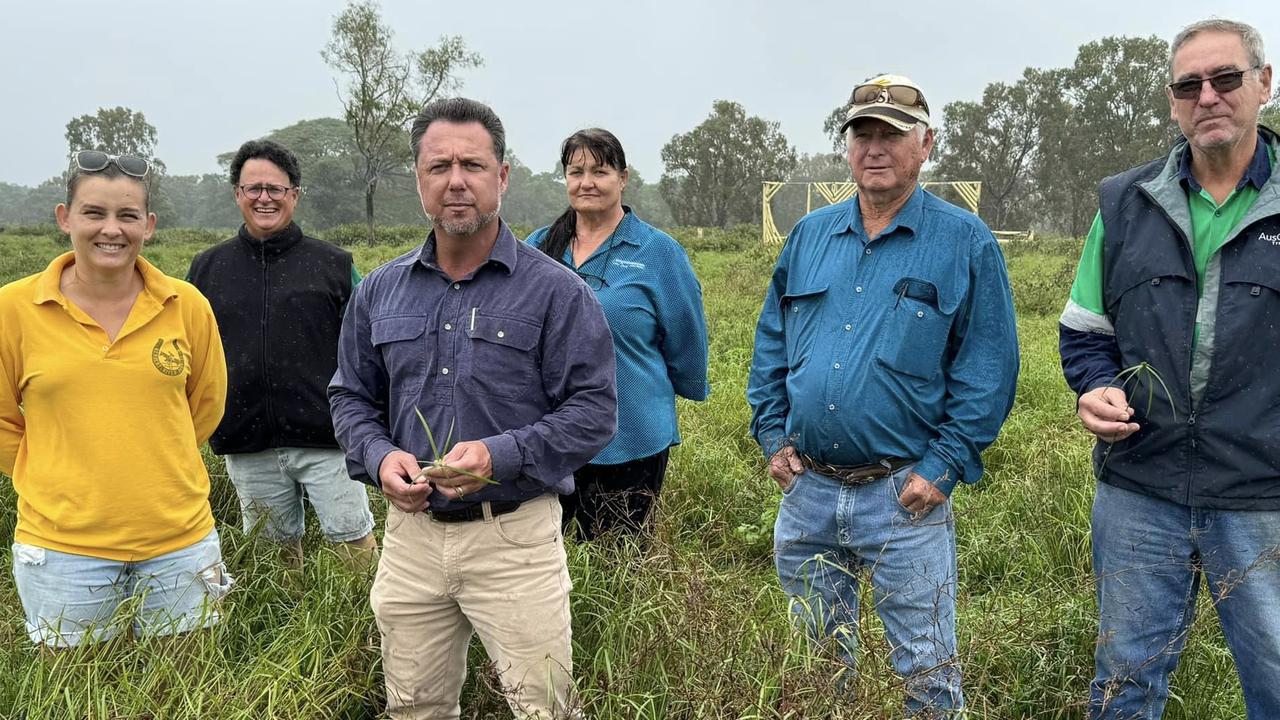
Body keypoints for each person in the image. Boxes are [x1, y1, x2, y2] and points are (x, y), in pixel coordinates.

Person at [329, 98, 616, 719]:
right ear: (419, 179)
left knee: (543, 710)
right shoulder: (381, 289)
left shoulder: (556, 291)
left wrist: (499, 455)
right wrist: (379, 458)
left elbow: (594, 411)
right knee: (414, 707)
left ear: (502, 177)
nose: (456, 180)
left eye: (472, 165)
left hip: (513, 537)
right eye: (439, 166)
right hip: (410, 540)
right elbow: (350, 395)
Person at [746, 74, 1019, 715]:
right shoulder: (810, 236)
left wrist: (945, 465)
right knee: (817, 671)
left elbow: (989, 368)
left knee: (926, 670)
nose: (875, 147)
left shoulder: (963, 241)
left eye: (892, 134)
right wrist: (772, 434)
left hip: (904, 499)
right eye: (861, 133)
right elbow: (771, 344)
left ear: (925, 145)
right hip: (808, 493)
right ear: (846, 147)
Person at [1058, 18, 1279, 719]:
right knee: (1126, 682)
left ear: (1264, 85)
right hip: (1140, 490)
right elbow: (1085, 329)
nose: (1207, 96)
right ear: (1172, 99)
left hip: (1264, 496)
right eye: (1189, 85)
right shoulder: (1125, 202)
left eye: (1226, 79)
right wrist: (1094, 386)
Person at [0, 150, 231, 648]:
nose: (111, 229)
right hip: (62, 546)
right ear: (65, 219)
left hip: (180, 539)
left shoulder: (186, 305)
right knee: (73, 692)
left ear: (148, 226)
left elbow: (205, 406)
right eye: (94, 213)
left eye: (127, 216)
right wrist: (53, 474)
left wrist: (152, 460)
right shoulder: (12, 309)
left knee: (184, 686)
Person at [187, 139, 376, 569]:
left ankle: (365, 633)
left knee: (355, 544)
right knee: (276, 559)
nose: (264, 198)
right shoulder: (206, 269)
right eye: (253, 188)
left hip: (328, 439)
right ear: (237, 193)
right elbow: (187, 349)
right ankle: (287, 629)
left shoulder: (333, 263)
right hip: (247, 440)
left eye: (276, 188)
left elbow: (368, 344)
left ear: (294, 194)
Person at [527, 128, 709, 541]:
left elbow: (686, 339)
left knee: (621, 561)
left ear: (623, 178)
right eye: (576, 172)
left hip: (631, 434)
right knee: (548, 558)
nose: (586, 182)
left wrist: (673, 386)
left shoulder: (657, 252)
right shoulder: (538, 248)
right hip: (550, 434)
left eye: (600, 171)